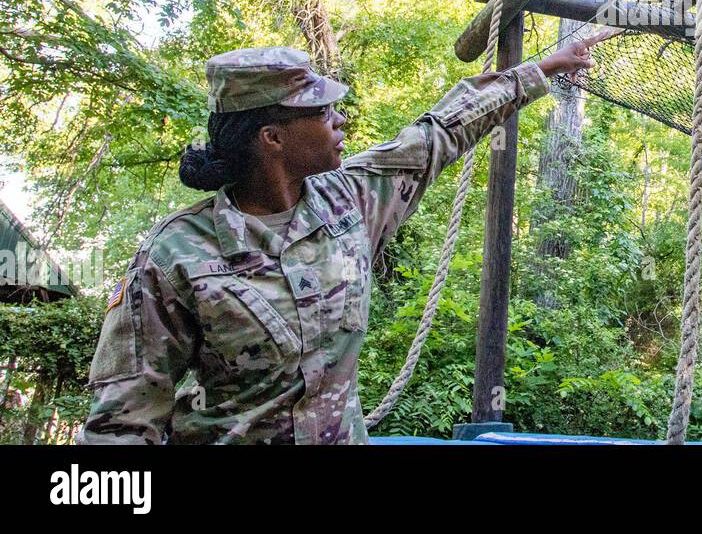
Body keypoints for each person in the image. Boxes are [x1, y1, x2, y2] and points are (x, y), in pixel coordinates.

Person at [78, 34, 611, 444]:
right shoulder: (177, 254)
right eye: (323, 111)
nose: (342, 120)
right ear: (273, 138)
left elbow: (437, 134)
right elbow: (123, 420)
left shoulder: (350, 201)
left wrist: (539, 71)